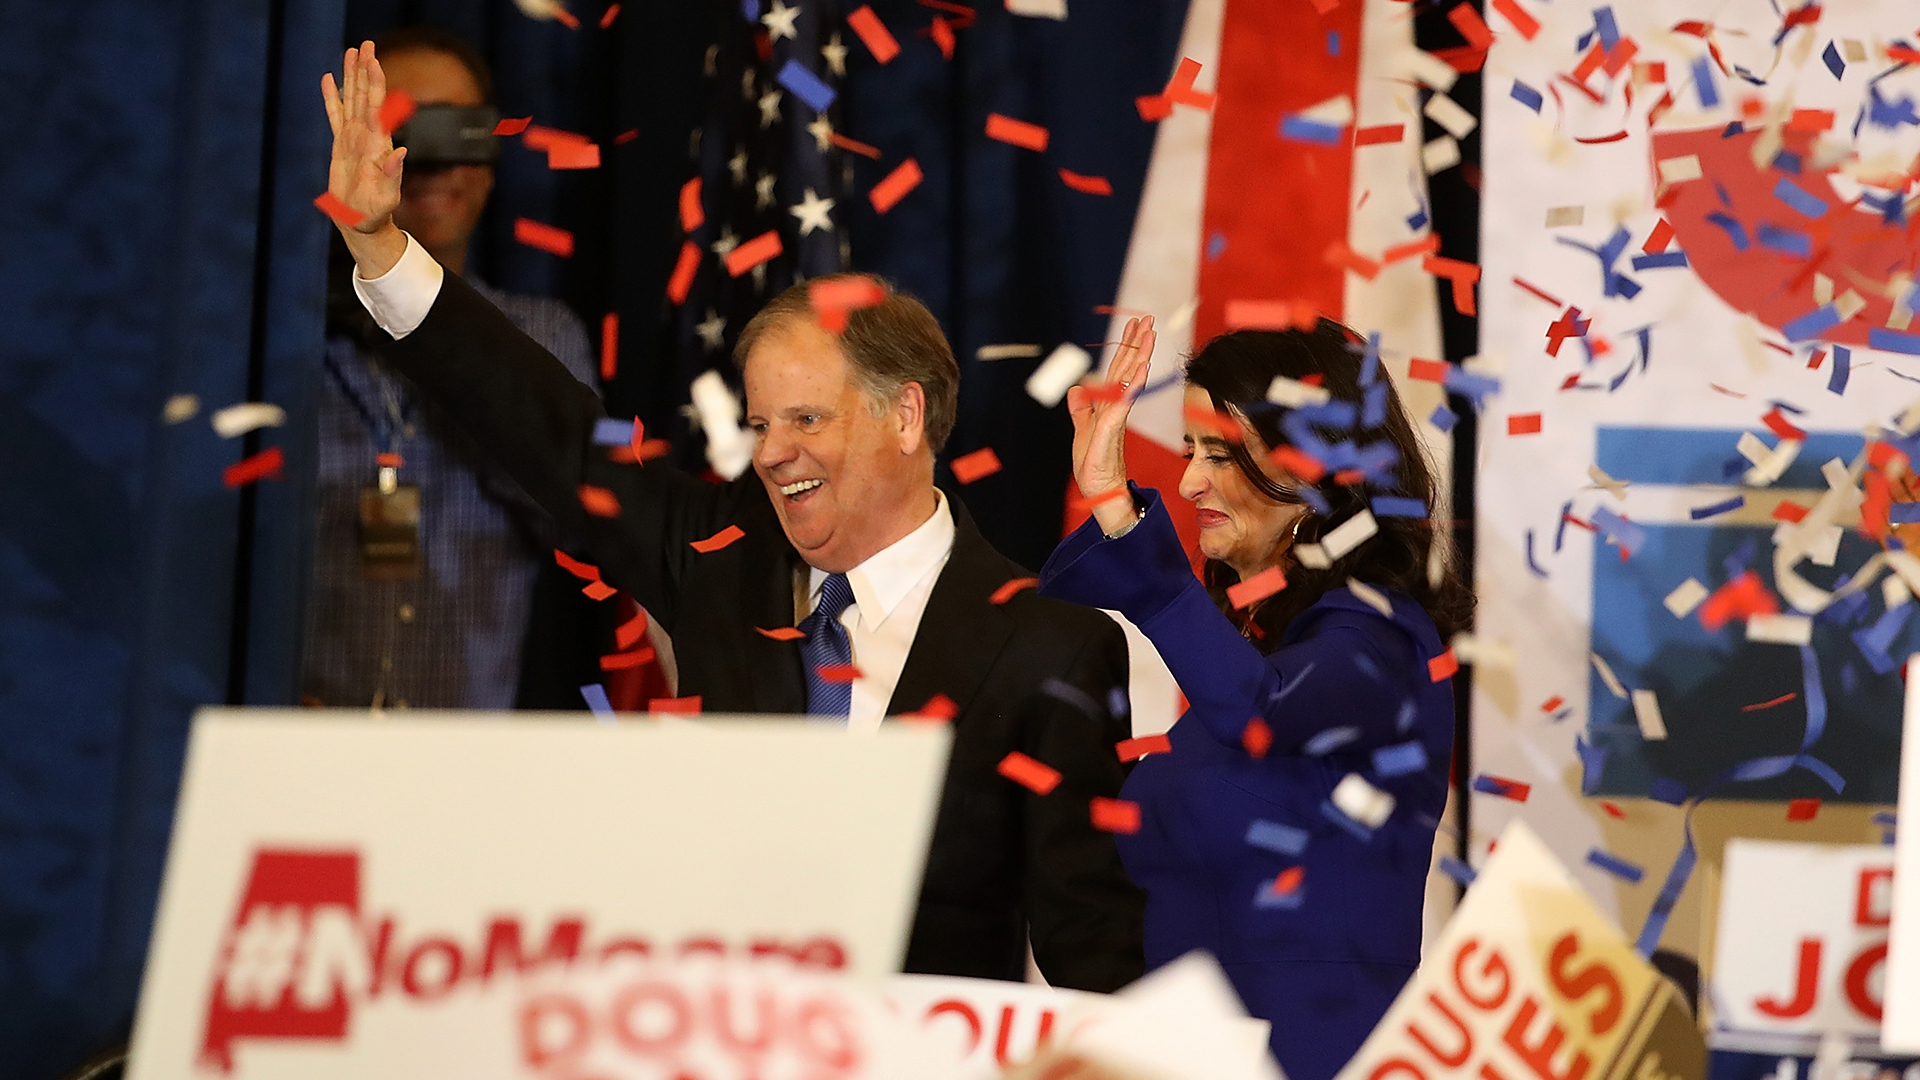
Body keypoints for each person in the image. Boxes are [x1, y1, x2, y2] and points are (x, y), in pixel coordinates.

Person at [316, 43, 1145, 991]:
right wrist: (381, 250)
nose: (773, 453)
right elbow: (543, 426)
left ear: (905, 416)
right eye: (758, 423)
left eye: (806, 420)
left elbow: (1093, 951)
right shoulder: (716, 554)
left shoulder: (1048, 648)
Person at [1040, 316, 1473, 1079]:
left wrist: (1119, 513)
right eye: (1190, 452)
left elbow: (1261, 711)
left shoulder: (1381, 641)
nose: (1188, 483)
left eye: (1222, 454)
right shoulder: (1260, 645)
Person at [304, 28, 606, 711]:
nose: (433, 162)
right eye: (404, 131)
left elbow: (582, 517)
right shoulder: (292, 341)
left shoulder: (542, 335)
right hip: (300, 736)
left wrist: (442, 338)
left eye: (458, 130)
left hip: (466, 746)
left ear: (490, 161)